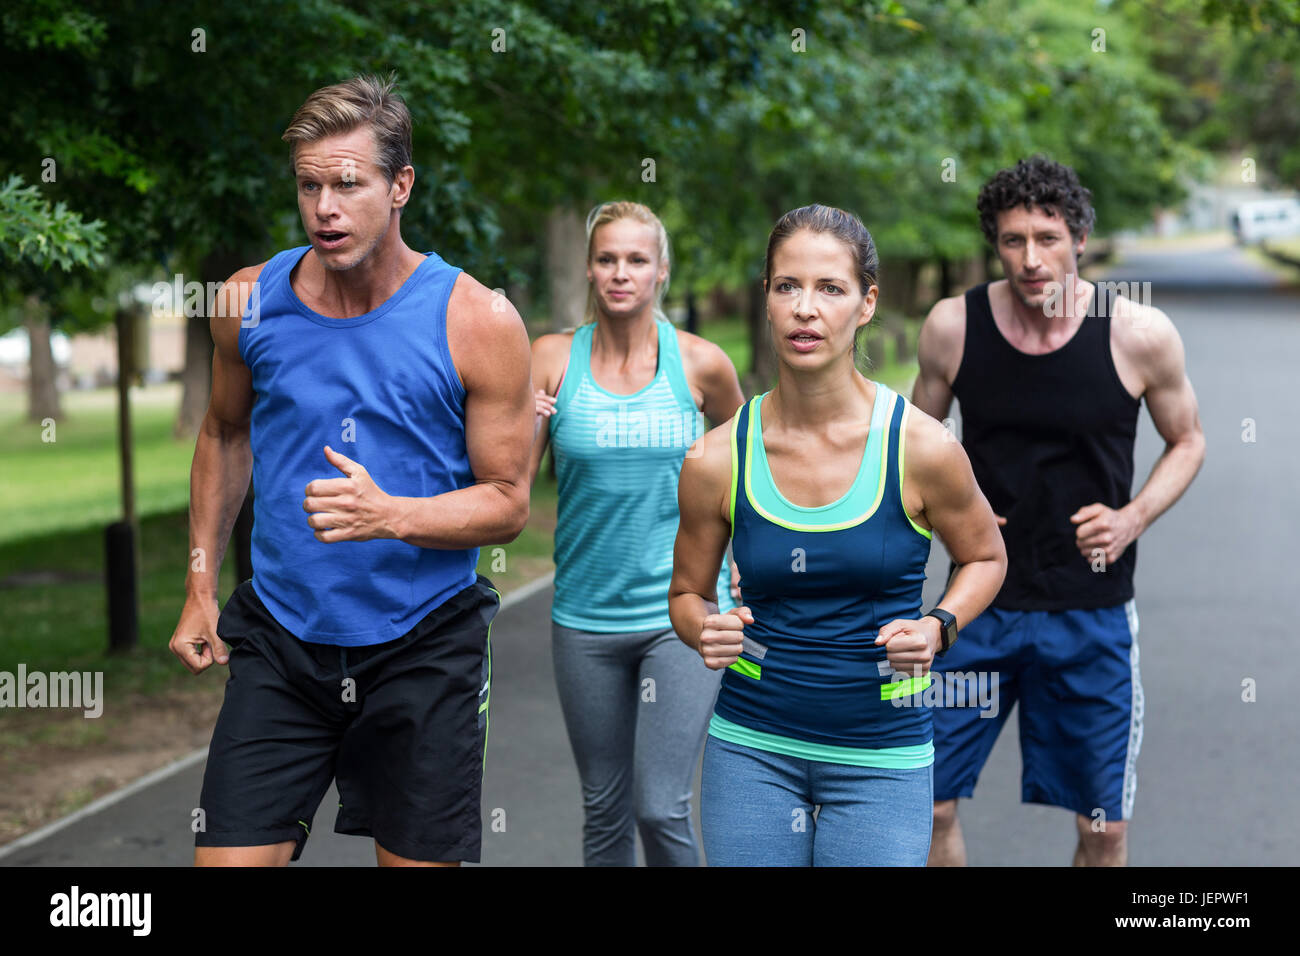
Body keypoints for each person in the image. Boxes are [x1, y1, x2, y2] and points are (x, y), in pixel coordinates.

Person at [167, 74, 534, 867]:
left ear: (400, 185)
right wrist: (199, 587)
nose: (325, 207)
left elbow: (508, 504)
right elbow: (225, 435)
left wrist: (392, 514)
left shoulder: (479, 319)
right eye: (309, 186)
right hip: (282, 639)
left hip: (424, 645)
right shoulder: (247, 301)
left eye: (347, 183)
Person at [669, 204, 1006, 866]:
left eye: (830, 288)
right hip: (753, 746)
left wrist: (940, 625)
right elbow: (686, 594)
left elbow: (986, 557)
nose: (805, 308)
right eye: (787, 286)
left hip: (883, 753)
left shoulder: (922, 446)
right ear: (765, 298)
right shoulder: (714, 459)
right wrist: (703, 628)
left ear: (866, 303)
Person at [912, 156, 1206, 866]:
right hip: (975, 608)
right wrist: (954, 511)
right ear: (995, 245)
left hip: (1090, 612)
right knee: (927, 801)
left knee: (1102, 828)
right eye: (1013, 240)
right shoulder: (954, 326)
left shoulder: (1138, 333)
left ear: (1079, 238)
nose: (1031, 258)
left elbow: (1188, 440)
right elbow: (911, 454)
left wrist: (1132, 517)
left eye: (1047, 237)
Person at [528, 200, 746, 865]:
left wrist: (744, 563)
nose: (620, 273)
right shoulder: (552, 359)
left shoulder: (703, 366)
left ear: (661, 272)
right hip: (584, 619)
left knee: (660, 805)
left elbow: (749, 470)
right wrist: (524, 424)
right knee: (604, 812)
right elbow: (508, 487)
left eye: (636, 259)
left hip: (680, 614)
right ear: (590, 271)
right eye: (606, 259)